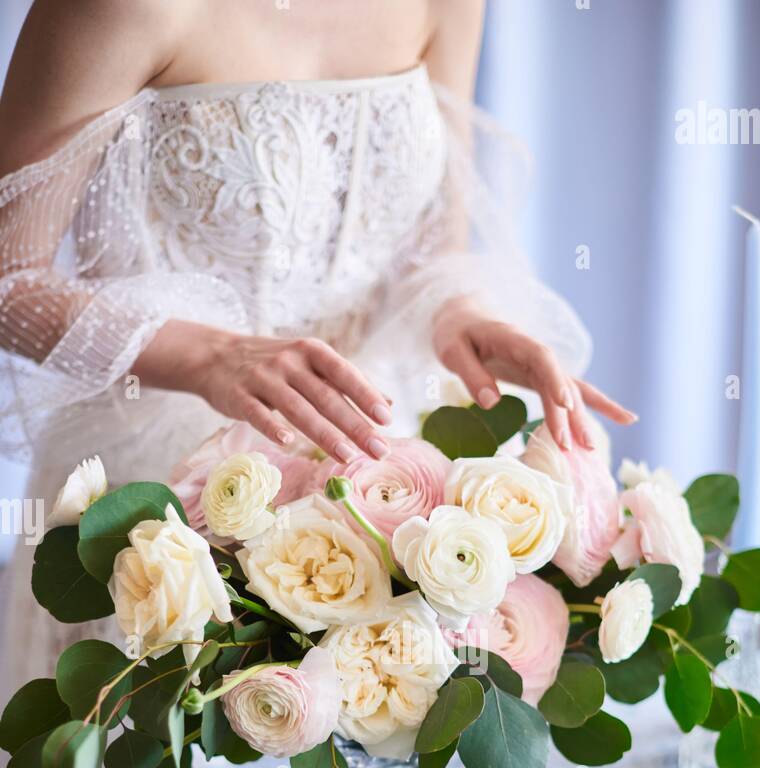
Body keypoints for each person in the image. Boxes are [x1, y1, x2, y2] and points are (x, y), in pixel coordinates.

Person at [0, 0, 635, 696]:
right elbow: (8, 280)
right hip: (160, 508)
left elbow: (428, 250)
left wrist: (459, 316)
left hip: (375, 477)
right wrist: (205, 356)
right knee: (150, 754)